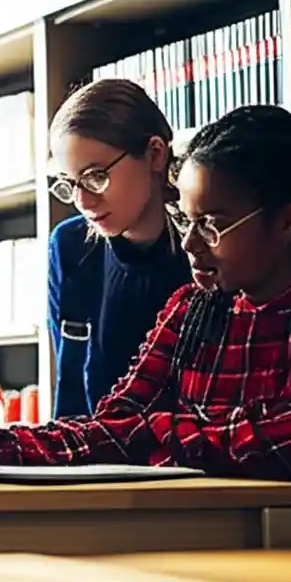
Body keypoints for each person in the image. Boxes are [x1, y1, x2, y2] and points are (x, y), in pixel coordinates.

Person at [0, 105, 291, 548]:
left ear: (287, 222)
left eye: (212, 226)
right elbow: (112, 427)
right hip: (210, 552)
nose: (189, 244)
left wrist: (157, 431)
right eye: (186, 220)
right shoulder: (191, 308)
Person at [47, 79, 192, 418]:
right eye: (70, 183)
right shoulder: (70, 249)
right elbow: (70, 396)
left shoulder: (204, 246)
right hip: (94, 458)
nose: (82, 202)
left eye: (96, 176)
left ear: (155, 154)